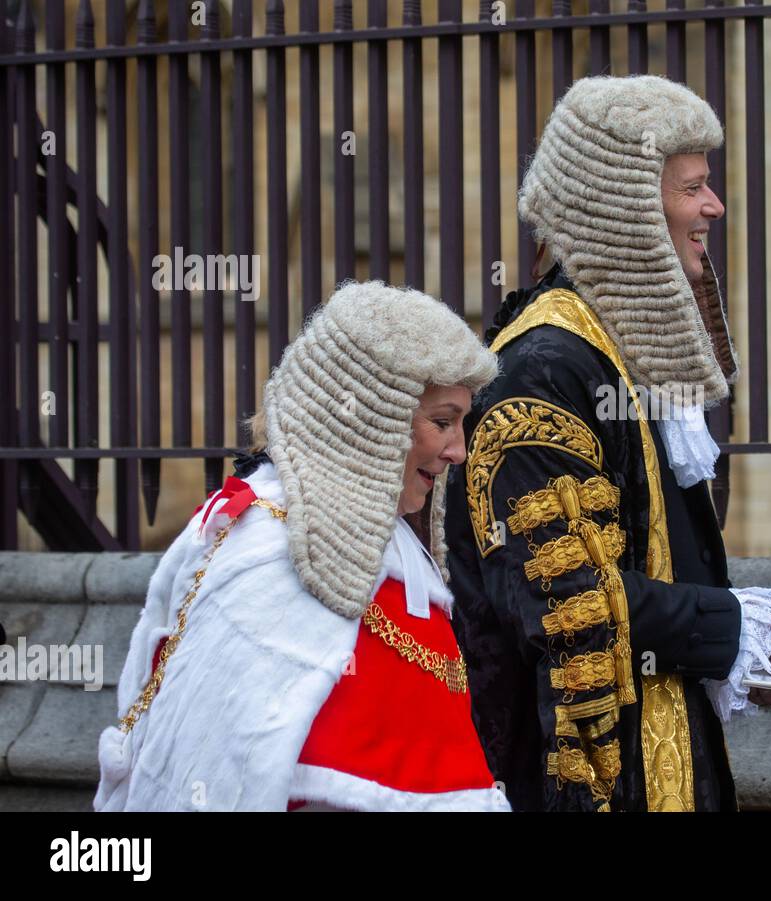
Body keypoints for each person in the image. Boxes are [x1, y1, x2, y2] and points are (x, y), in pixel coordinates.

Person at [445, 75, 771, 812]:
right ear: (629, 209)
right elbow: (567, 599)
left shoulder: (617, 356)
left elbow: (657, 567)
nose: (715, 206)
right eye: (693, 188)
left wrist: (744, 647)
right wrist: (736, 629)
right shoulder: (541, 371)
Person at [95, 281, 509, 811]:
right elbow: (218, 770)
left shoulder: (389, 540)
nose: (459, 451)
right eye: (443, 422)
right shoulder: (269, 549)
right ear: (369, 416)